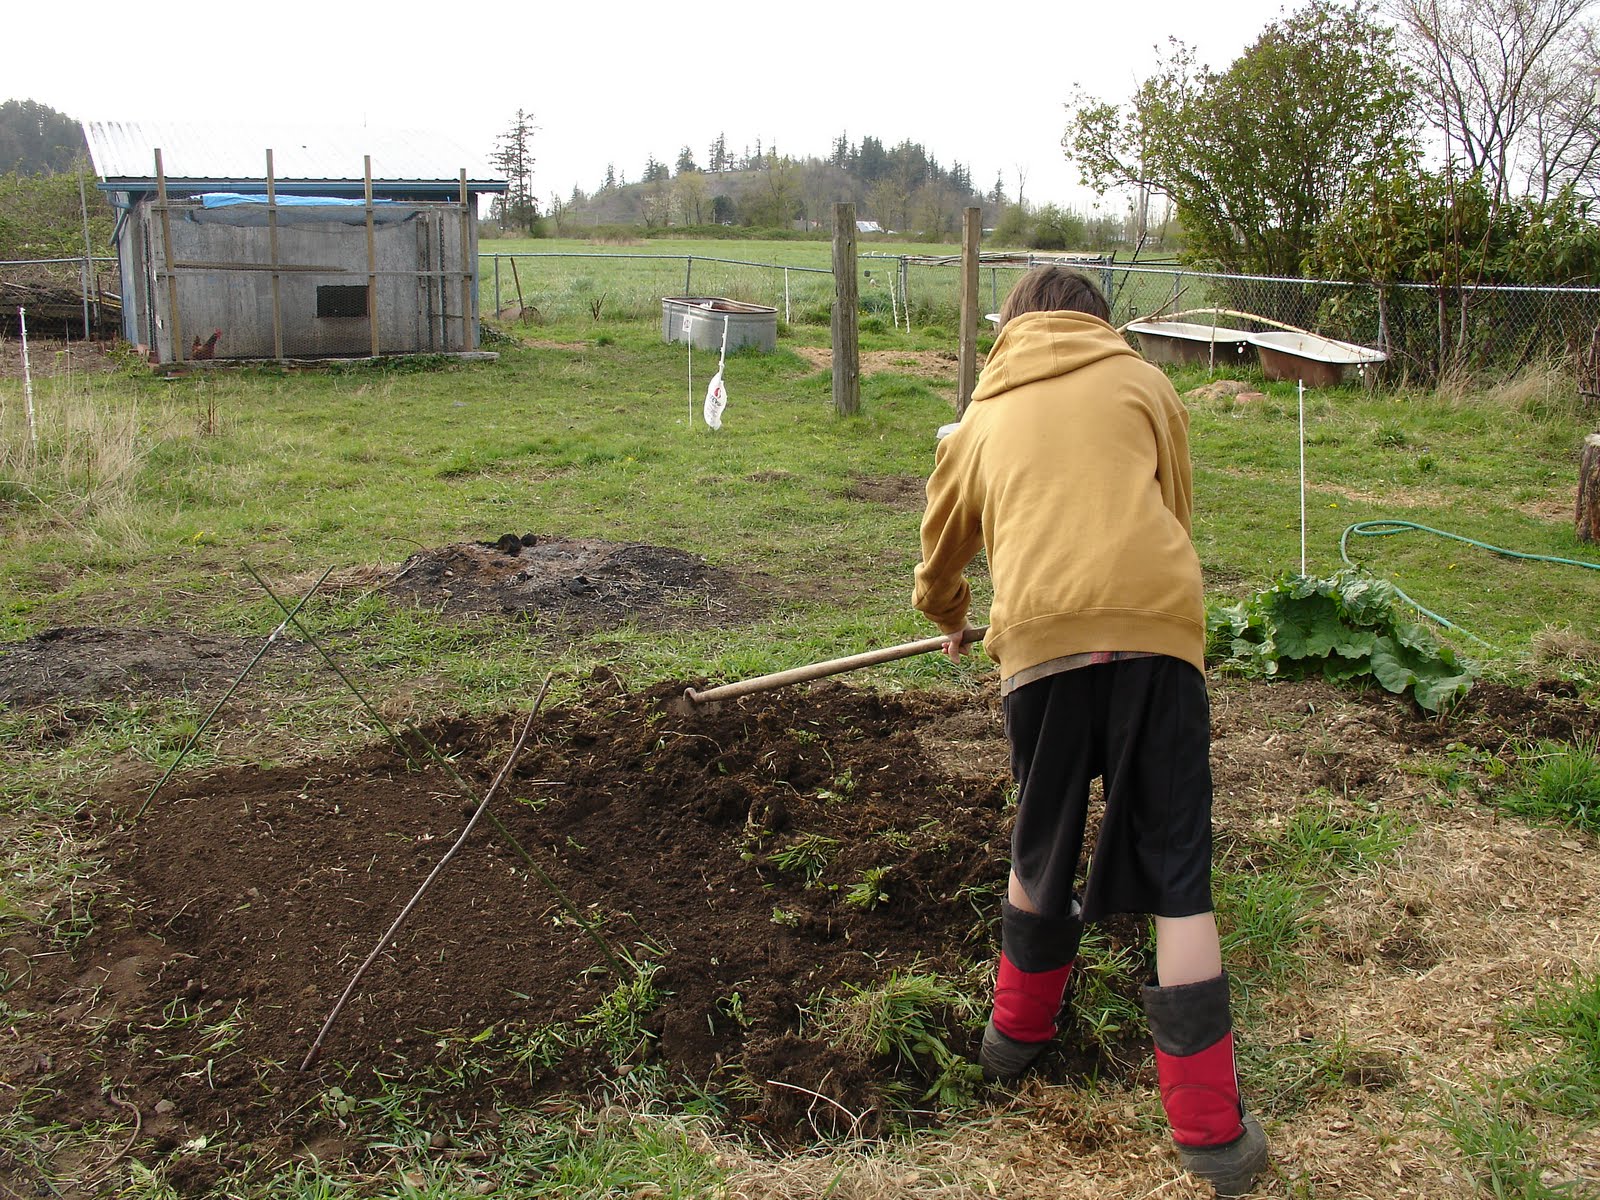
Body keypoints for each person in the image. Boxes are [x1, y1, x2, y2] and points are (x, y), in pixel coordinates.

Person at [912, 266, 1267, 1196]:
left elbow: (942, 547)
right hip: (1159, 634)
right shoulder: (1146, 383)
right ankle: (1212, 1137)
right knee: (1178, 877)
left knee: (1043, 843)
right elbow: (1174, 509)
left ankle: (1013, 1039)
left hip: (1041, 646)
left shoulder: (981, 414)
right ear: (1101, 325)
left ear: (1012, 328)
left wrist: (949, 614)